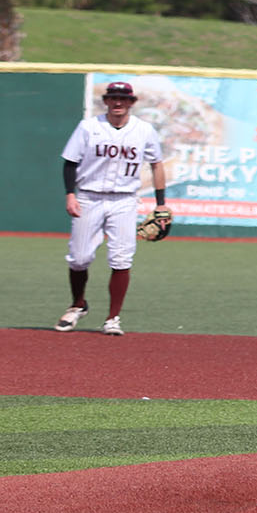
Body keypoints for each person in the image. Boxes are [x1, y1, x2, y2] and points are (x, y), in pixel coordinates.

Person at [55, 81, 166, 335]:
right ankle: (78, 305)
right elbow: (70, 162)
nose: (118, 102)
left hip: (124, 200)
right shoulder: (89, 127)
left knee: (121, 258)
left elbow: (157, 164)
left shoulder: (144, 130)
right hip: (89, 196)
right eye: (113, 98)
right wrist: (70, 195)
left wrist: (161, 205)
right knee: (79, 258)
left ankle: (112, 318)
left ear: (132, 102)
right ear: (105, 101)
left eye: (124, 99)